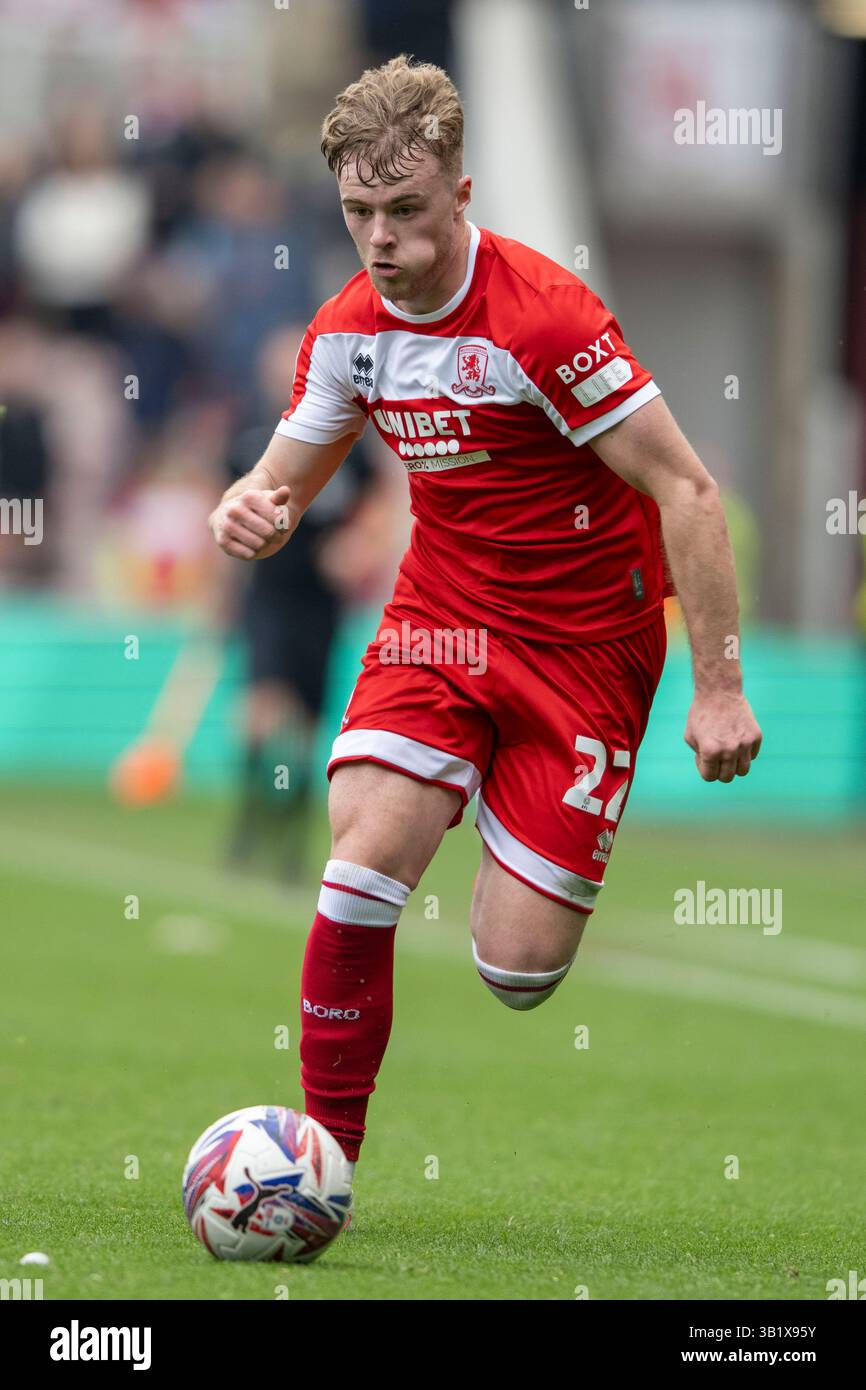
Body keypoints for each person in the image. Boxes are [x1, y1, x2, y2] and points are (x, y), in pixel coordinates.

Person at [209, 55, 762, 1187]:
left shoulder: (546, 321)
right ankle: (322, 1167)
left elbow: (688, 491)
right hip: (442, 620)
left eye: (404, 210)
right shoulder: (348, 332)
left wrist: (716, 686)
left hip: (584, 649)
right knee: (358, 858)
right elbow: (281, 486)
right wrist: (249, 510)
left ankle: (503, 808)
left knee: (516, 971)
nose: (378, 237)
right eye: (358, 211)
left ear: (460, 196)